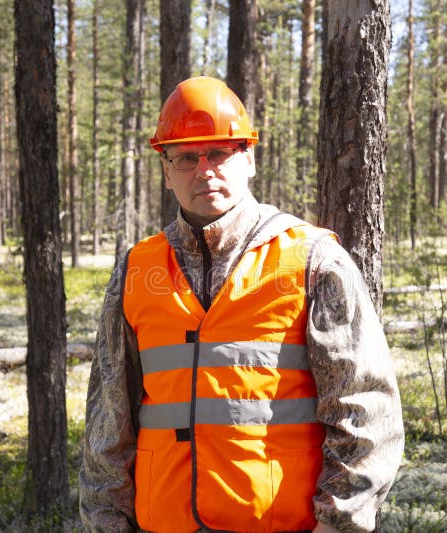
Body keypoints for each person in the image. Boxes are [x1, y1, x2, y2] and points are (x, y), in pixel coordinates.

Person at [79, 76, 404, 533]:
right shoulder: (138, 269)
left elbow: (364, 413)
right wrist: (107, 523)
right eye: (187, 157)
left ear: (248, 158)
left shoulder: (312, 260)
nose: (204, 170)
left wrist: (338, 524)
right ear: (166, 170)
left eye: (219, 153)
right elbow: (107, 423)